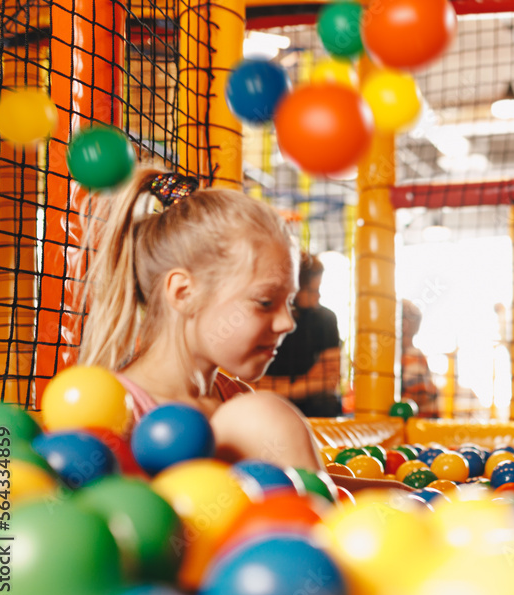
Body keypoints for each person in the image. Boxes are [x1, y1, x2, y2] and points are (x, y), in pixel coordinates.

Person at [76, 167, 405, 492]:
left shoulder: (232, 396)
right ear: (183, 293)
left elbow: (315, 486)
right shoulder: (117, 412)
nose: (287, 323)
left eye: (288, 302)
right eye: (264, 302)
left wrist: (404, 495)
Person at [254, 253, 343, 418]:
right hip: (268, 404)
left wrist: (280, 389)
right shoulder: (264, 318)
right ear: (294, 289)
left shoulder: (326, 319)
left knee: (327, 401)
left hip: (306, 402)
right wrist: (307, 381)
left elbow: (330, 380)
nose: (319, 296)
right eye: (314, 290)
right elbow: (250, 383)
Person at [400, 300, 439, 418]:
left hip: (423, 419)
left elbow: (418, 397)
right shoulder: (404, 356)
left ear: (404, 325)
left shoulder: (413, 356)